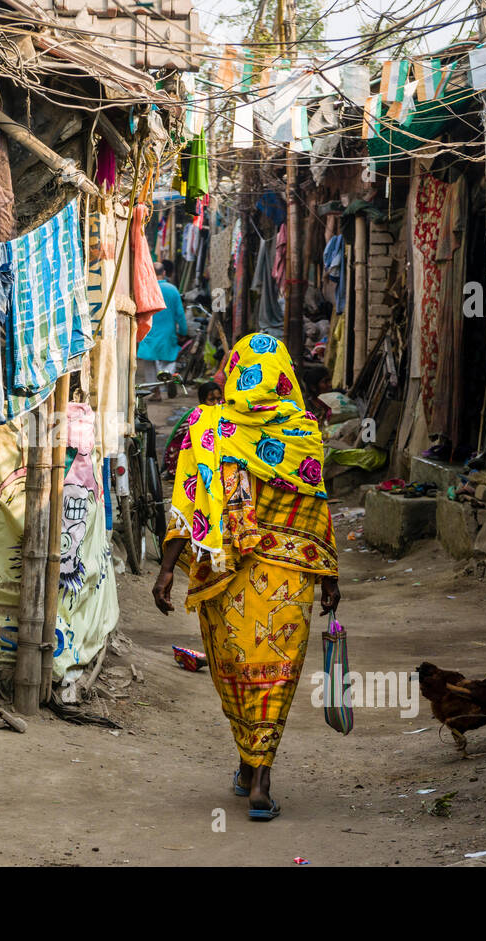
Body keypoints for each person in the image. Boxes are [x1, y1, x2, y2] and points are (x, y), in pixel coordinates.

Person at [153, 332, 341, 821]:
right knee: (274, 676)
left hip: (225, 579)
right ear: (284, 377)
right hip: (289, 579)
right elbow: (316, 511)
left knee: (236, 671)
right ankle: (256, 772)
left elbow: (187, 502)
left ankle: (252, 768)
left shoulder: (207, 426)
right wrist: (330, 576)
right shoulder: (303, 430)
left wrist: (167, 570)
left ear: (234, 371)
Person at [136, 261, 186, 396]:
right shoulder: (172, 290)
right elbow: (180, 314)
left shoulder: (145, 288)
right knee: (169, 360)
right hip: (167, 333)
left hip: (148, 332)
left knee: (149, 364)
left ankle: (156, 392)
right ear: (164, 273)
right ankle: (168, 378)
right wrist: (183, 331)